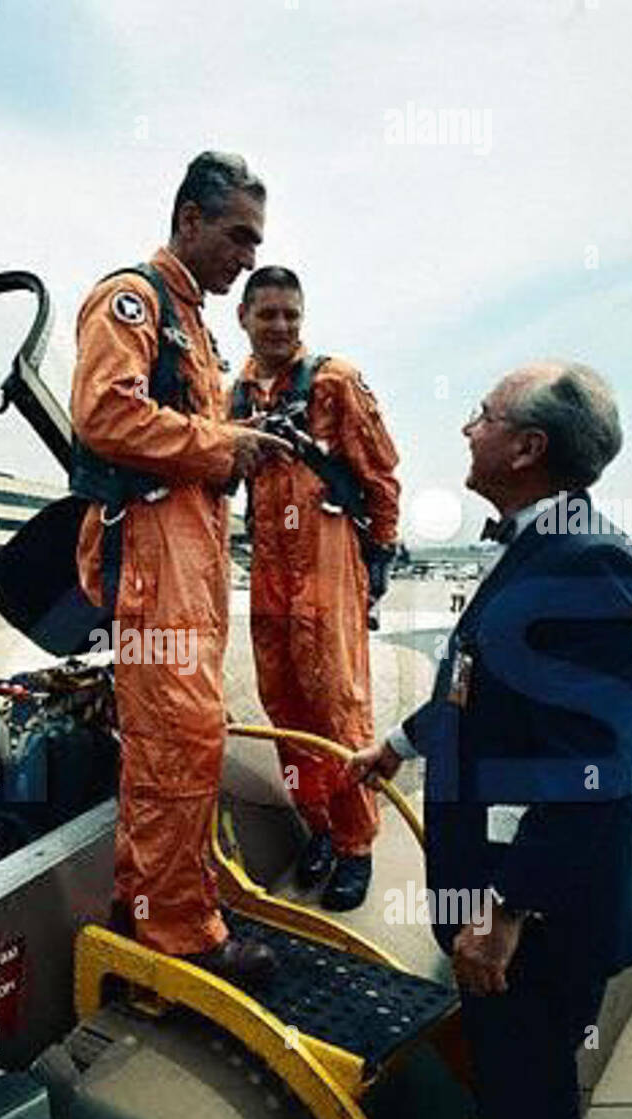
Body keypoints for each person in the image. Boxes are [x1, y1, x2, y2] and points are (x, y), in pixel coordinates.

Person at [349, 362, 632, 1119]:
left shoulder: (586, 566)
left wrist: (508, 910)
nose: (466, 430)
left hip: (531, 926)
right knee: (518, 1110)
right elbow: (483, 687)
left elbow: (588, 764)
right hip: (496, 910)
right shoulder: (537, 546)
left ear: (527, 449)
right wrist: (400, 743)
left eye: (481, 417)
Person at [70, 152, 291, 984]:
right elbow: (105, 413)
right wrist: (221, 446)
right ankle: (178, 937)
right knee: (178, 745)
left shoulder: (194, 322)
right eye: (236, 235)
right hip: (155, 566)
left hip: (191, 563)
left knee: (182, 744)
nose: (246, 255)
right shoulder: (133, 301)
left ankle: (157, 899)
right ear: (188, 220)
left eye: (255, 240)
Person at [230, 266, 400, 910]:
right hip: (270, 566)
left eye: (290, 316)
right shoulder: (238, 395)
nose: (279, 326)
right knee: (285, 706)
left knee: (336, 708)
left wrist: (377, 558)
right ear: (242, 317)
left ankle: (357, 843)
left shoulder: (336, 382)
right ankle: (322, 826)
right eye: (267, 314)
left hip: (327, 564)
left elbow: (381, 476)